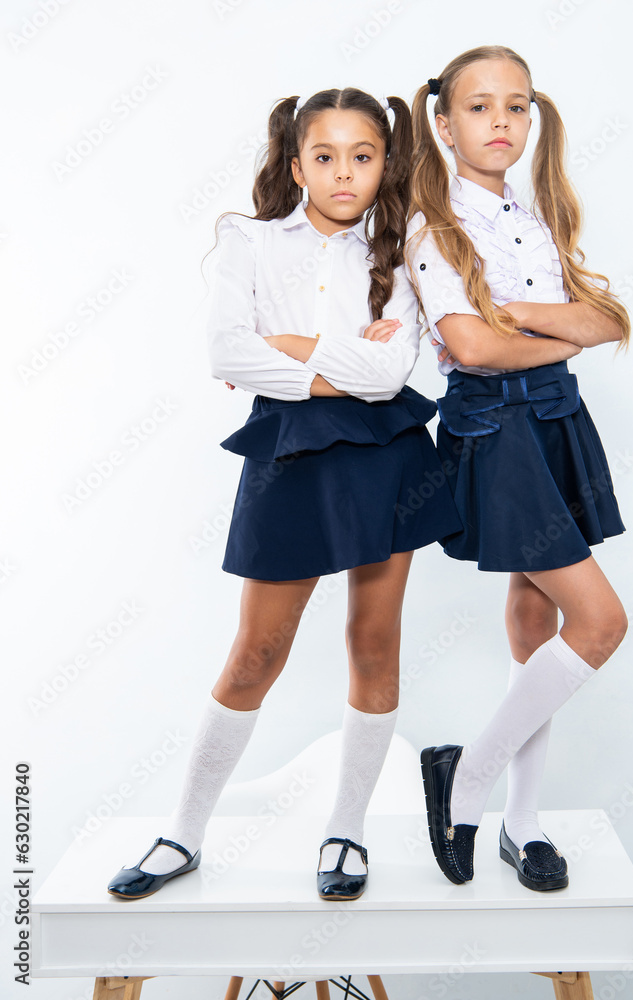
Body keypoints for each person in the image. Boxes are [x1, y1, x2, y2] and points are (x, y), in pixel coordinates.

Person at [106, 87, 461, 903]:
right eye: (325, 156)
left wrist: (290, 346)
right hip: (288, 453)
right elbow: (225, 350)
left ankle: (347, 830)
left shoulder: (403, 245)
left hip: (388, 456)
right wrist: (333, 360)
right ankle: (183, 833)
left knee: (374, 644)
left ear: (386, 162)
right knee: (255, 653)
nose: (344, 173)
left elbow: (389, 375)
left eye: (363, 156)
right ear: (296, 162)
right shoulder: (249, 240)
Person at [405, 47, 630, 891]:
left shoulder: (532, 216)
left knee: (536, 630)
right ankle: (464, 778)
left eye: (518, 106)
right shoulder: (438, 225)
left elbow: (608, 320)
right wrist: (565, 329)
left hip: (555, 418)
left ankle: (522, 822)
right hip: (497, 432)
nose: (502, 123)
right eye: (480, 107)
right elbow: (469, 345)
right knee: (601, 625)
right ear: (444, 121)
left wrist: (538, 318)